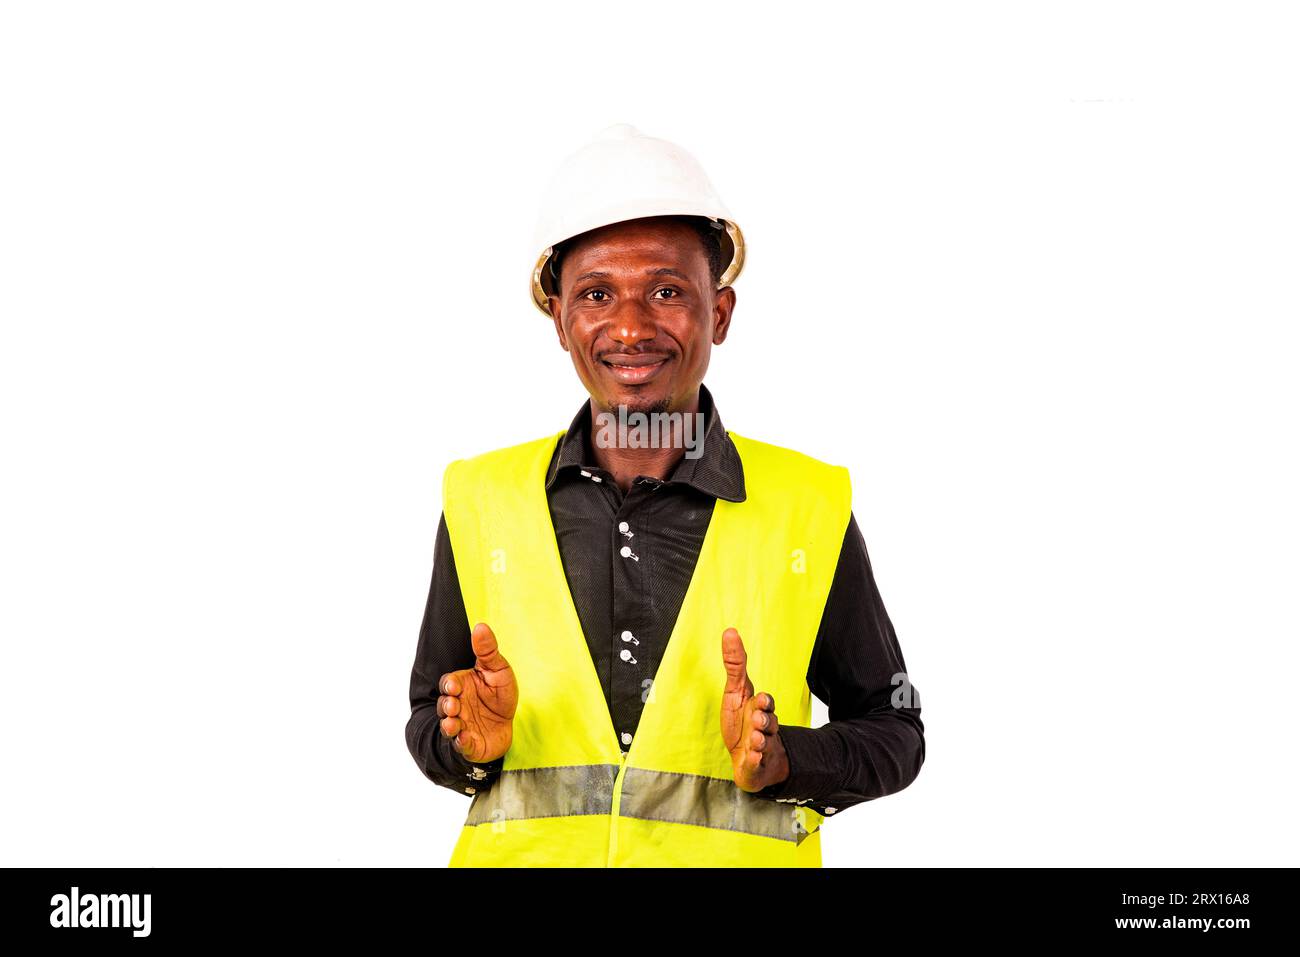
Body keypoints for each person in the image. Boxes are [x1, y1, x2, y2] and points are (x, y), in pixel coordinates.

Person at [405, 124, 924, 867]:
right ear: (559, 318)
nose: (630, 325)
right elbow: (431, 716)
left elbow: (896, 727)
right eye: (595, 293)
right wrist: (465, 746)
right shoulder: (482, 498)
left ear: (720, 311)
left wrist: (787, 760)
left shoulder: (807, 505)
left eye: (667, 290)